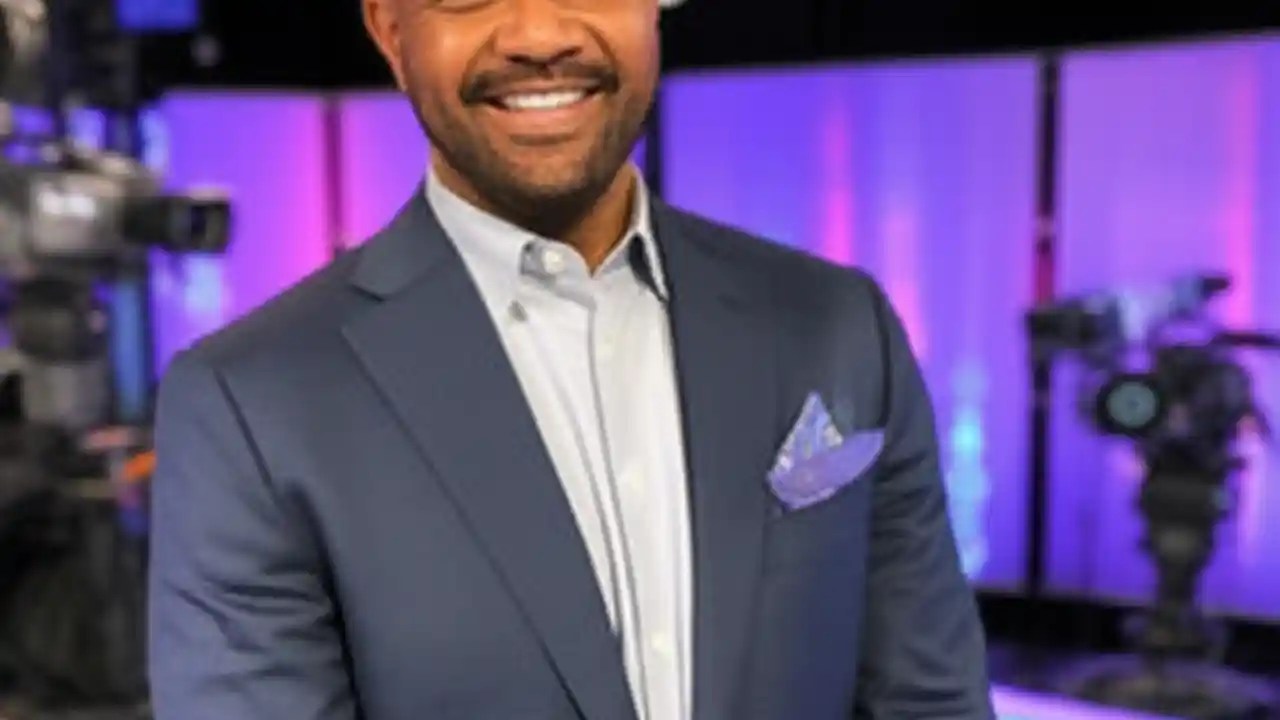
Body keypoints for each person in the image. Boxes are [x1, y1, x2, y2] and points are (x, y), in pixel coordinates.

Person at [145, 0, 995, 717]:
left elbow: (929, 699)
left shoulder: (838, 325)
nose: (539, 34)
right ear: (388, 30)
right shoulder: (251, 401)